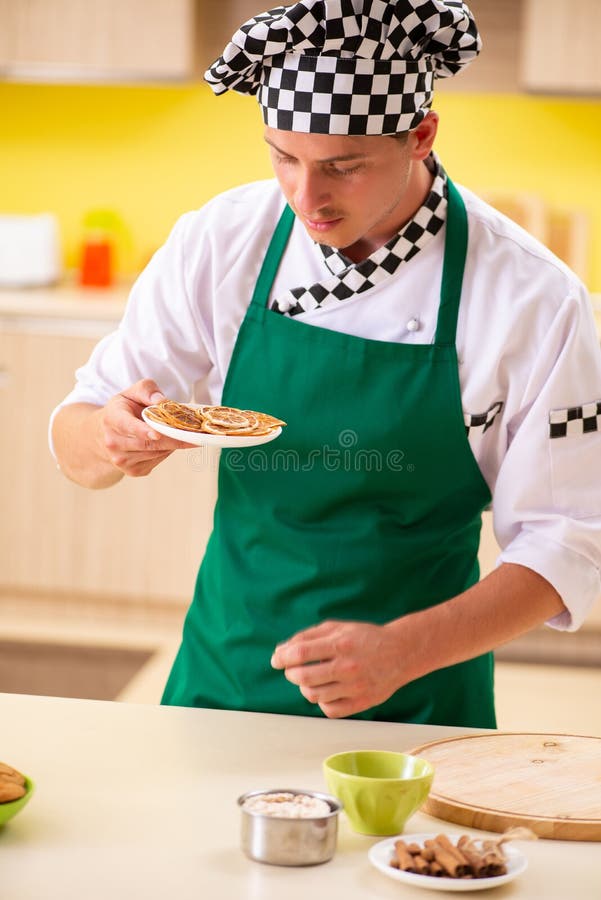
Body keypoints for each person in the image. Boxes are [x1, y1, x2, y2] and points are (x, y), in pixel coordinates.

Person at [50, 0, 601, 728]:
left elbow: (569, 539)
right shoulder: (223, 240)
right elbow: (78, 436)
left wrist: (401, 651)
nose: (306, 199)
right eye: (283, 158)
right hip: (226, 677)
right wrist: (109, 440)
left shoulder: (529, 296)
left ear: (420, 135)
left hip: (418, 699)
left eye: (342, 167)